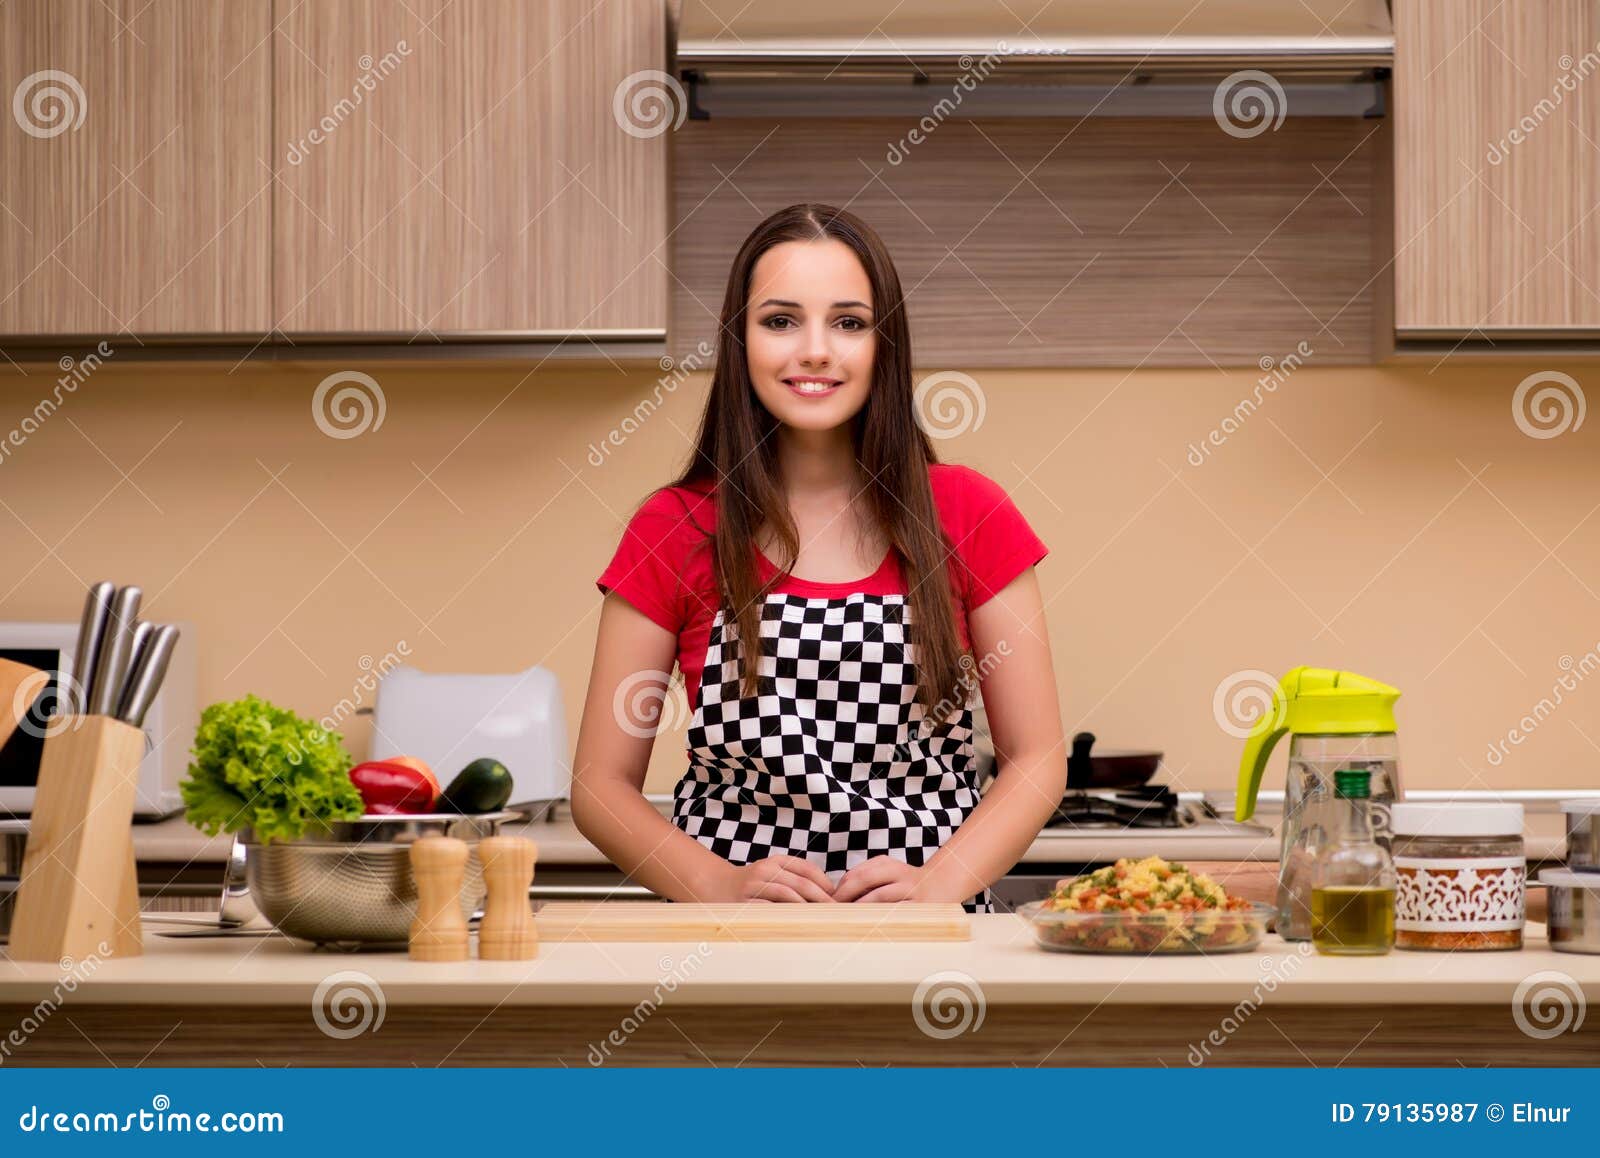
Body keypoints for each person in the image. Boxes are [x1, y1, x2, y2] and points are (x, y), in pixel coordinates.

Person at [572, 203, 1066, 912]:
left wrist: (942, 885)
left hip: (925, 939)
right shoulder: (674, 527)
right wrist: (714, 884)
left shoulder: (966, 512)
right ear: (739, 341)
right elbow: (599, 784)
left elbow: (1038, 759)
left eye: (848, 322)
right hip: (733, 947)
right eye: (780, 321)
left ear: (883, 345)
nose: (815, 350)